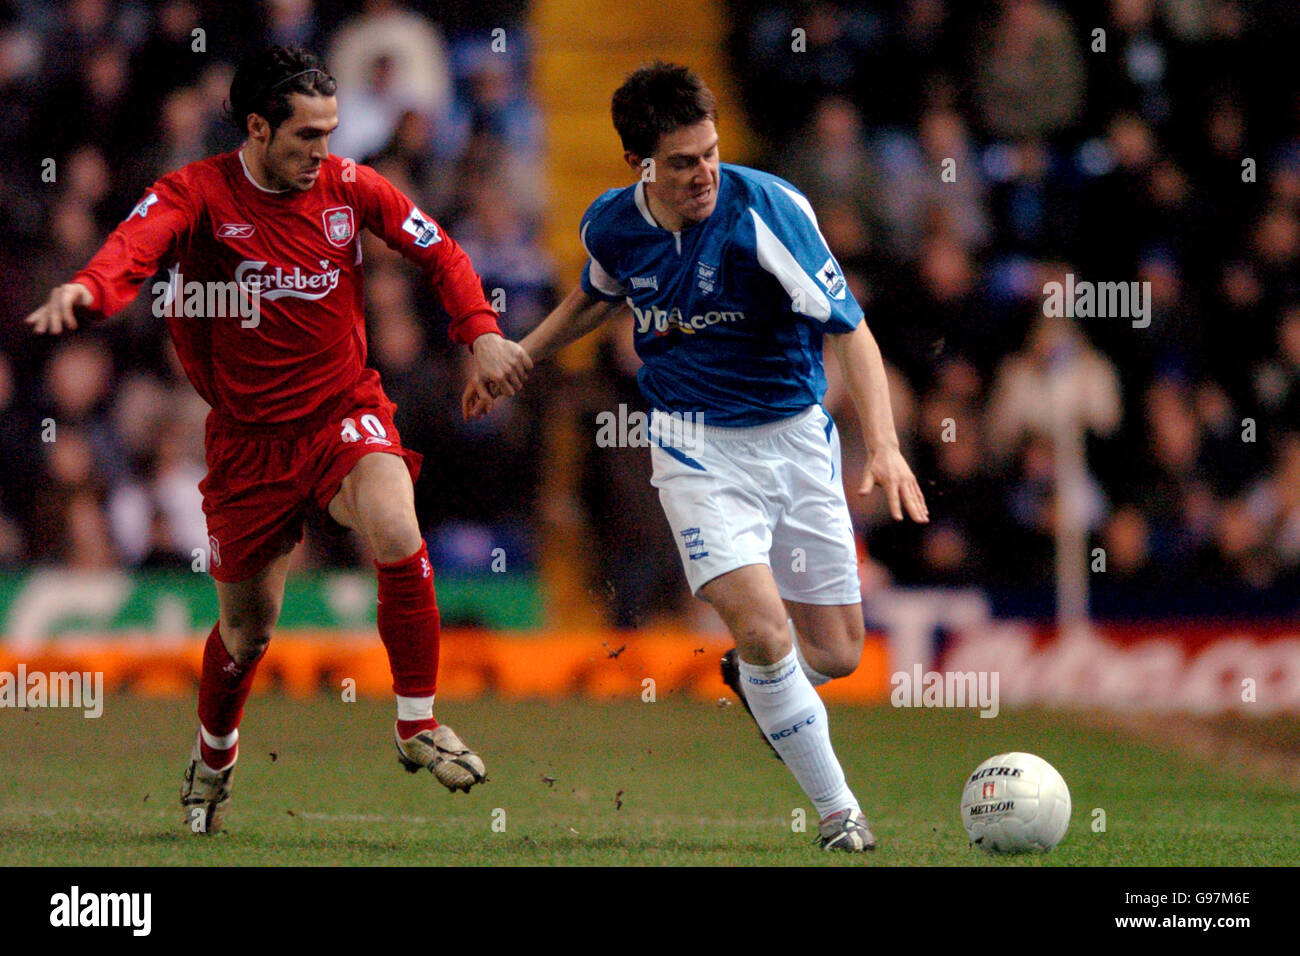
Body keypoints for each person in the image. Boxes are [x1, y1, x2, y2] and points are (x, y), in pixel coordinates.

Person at [25, 45, 532, 834]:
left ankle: (416, 720)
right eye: (306, 136)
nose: (323, 151)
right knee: (247, 631)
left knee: (397, 526)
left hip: (343, 412)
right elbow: (135, 246)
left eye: (330, 132)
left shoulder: (348, 187)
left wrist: (480, 331)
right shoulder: (194, 193)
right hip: (248, 443)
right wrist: (91, 291)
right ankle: (214, 758)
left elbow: (439, 249)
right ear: (257, 128)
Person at [464, 62, 928, 852]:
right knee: (766, 631)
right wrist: (525, 354)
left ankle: (758, 688)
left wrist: (882, 444)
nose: (704, 172)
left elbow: (850, 327)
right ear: (641, 165)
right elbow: (598, 293)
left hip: (795, 440)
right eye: (682, 162)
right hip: (693, 447)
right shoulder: (613, 223)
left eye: (709, 152)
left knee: (840, 652)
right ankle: (839, 813)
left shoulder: (768, 210)